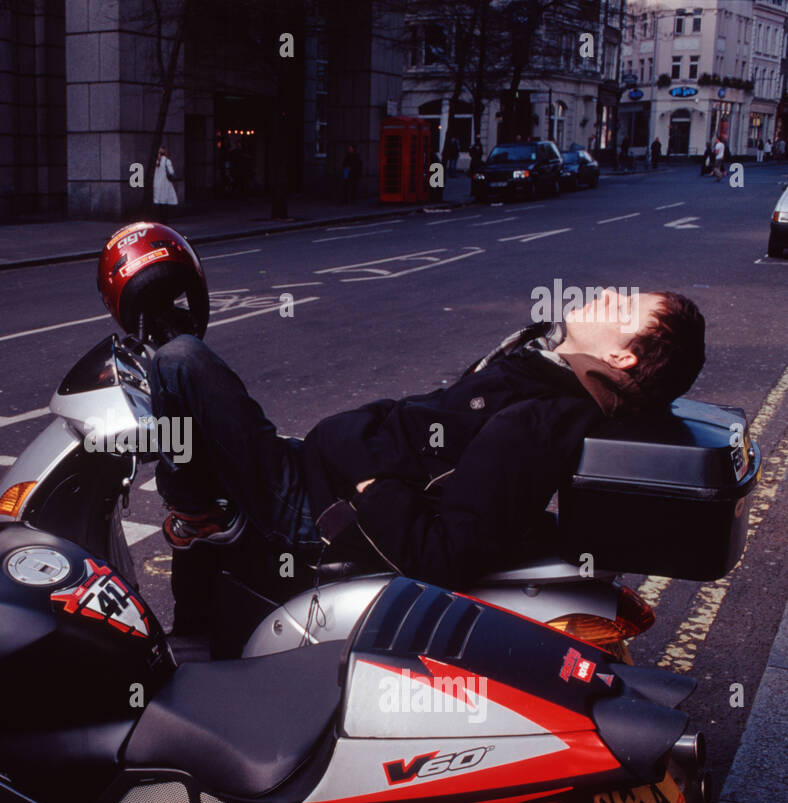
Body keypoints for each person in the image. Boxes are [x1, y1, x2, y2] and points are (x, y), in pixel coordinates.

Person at [96, 226, 707, 618]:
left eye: (623, 308)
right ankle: (208, 523)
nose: (606, 295)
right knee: (189, 382)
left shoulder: (544, 418)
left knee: (181, 361)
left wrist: (371, 489)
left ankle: (200, 515)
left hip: (316, 506)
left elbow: (446, 555)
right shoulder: (551, 378)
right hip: (320, 471)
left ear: (621, 358)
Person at [152, 145, 178, 216]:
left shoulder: (155, 161)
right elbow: (171, 172)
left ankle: (158, 218)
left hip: (156, 183)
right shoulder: (167, 161)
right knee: (164, 201)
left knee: (157, 201)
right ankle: (164, 218)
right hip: (165, 183)